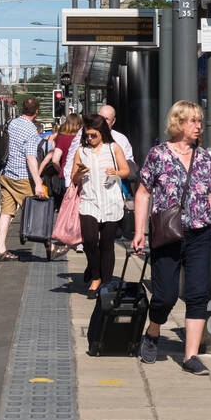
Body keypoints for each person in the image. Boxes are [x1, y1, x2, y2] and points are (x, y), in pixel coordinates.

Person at [131, 100, 211, 374]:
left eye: (199, 121)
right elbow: (143, 193)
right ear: (178, 123)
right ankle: (153, 331)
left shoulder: (204, 156)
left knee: (198, 294)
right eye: (193, 121)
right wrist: (139, 232)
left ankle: (190, 357)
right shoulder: (158, 155)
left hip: (200, 234)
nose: (199, 126)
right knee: (165, 295)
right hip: (167, 234)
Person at [71, 115, 130, 298]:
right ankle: (95, 276)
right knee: (89, 240)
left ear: (102, 132)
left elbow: (126, 171)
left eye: (93, 135)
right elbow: (74, 179)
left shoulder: (114, 148)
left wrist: (116, 172)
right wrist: (80, 173)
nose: (89, 139)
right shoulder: (82, 151)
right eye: (87, 135)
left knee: (106, 244)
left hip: (111, 202)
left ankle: (104, 282)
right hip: (89, 202)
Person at [0, 97, 47, 260]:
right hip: (22, 177)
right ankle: (50, 246)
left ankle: (1, 249)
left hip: (6, 174)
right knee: (38, 212)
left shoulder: (12, 123)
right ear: (36, 112)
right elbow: (30, 158)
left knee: (6, 212)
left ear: (23, 109)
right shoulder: (31, 129)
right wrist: (37, 182)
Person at [62, 103, 134, 187]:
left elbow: (129, 165)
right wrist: (69, 183)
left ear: (113, 121)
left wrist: (116, 172)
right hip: (88, 189)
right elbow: (71, 158)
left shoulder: (120, 140)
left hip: (113, 188)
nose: (102, 121)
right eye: (101, 117)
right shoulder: (83, 134)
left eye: (106, 119)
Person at [40, 113, 82, 255]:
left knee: (67, 208)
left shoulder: (62, 138)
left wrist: (60, 170)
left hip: (66, 178)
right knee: (79, 208)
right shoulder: (83, 138)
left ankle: (67, 236)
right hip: (82, 176)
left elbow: (55, 159)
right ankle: (79, 239)